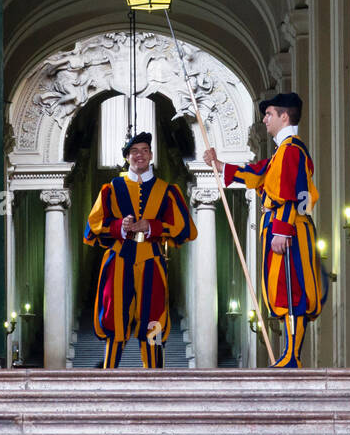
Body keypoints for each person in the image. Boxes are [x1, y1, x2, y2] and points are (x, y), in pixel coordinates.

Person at [203, 91, 327, 367]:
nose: (264, 119)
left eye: (269, 114)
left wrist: (282, 230)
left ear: (285, 116)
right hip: (282, 228)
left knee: (293, 291)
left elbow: (293, 192)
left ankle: (292, 356)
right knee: (283, 291)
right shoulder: (279, 154)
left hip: (289, 229)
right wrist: (220, 165)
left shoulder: (292, 150)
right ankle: (288, 354)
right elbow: (256, 173)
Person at [83, 131, 196, 367]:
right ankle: (109, 380)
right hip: (119, 260)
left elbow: (185, 228)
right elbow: (92, 227)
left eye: (144, 150)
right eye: (134, 151)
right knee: (115, 319)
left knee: (153, 320)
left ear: (151, 155)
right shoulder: (111, 188)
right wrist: (118, 227)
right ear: (127, 157)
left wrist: (153, 226)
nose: (139, 155)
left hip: (151, 260)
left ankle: (155, 384)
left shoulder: (167, 190)